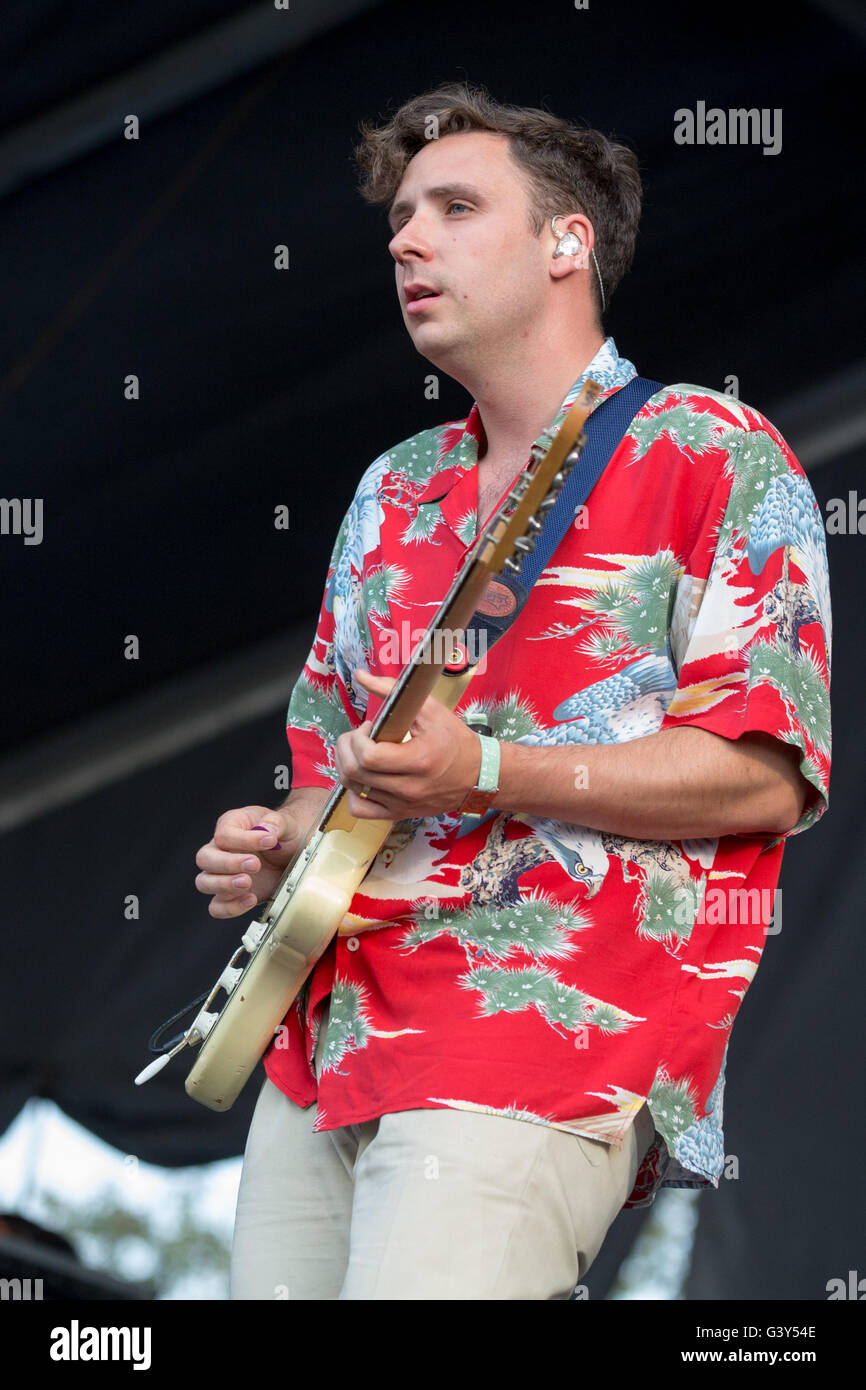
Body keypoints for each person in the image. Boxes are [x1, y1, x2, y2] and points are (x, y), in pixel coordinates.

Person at [194, 82, 831, 1300]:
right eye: (399, 216)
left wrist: (488, 770)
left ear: (564, 243)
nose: (404, 239)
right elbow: (340, 772)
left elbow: (764, 768)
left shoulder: (710, 450)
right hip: (327, 1042)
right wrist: (282, 845)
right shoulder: (394, 488)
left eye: (453, 207)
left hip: (538, 1034)